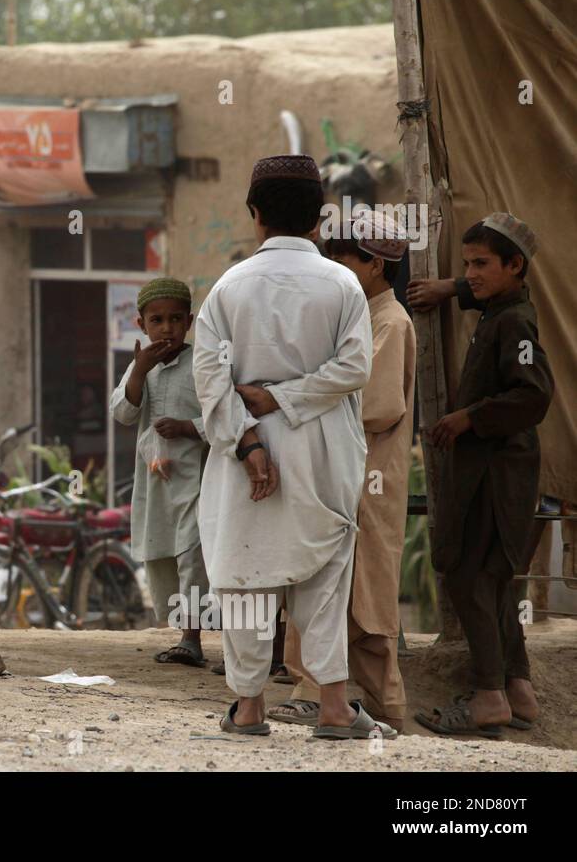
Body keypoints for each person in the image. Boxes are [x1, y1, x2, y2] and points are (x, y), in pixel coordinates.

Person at [192, 154, 394, 739]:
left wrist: (250, 443)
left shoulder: (227, 288)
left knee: (247, 575)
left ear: (255, 214)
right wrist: (290, 399)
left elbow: (212, 384)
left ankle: (249, 707)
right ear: (319, 217)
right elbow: (355, 368)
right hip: (324, 453)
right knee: (324, 576)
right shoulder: (343, 285)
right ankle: (334, 706)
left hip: (243, 460)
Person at [275, 207, 415, 732]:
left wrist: (303, 396)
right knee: (339, 582)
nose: (333, 265)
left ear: (376, 265)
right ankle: (376, 706)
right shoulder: (361, 315)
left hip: (367, 477)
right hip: (346, 473)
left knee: (358, 592)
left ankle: (327, 694)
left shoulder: (389, 321)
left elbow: (376, 405)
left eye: (344, 257)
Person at [414, 213, 552, 737]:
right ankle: (518, 691)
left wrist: (469, 417)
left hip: (496, 474)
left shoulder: (515, 322)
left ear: (515, 266)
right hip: (493, 471)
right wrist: (452, 286)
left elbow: (532, 394)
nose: (469, 273)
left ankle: (488, 696)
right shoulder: (500, 308)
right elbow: (478, 289)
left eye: (481, 264)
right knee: (494, 583)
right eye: (466, 262)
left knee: (470, 577)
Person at [110, 277, 212, 666]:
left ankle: (192, 637)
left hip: (198, 479)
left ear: (189, 321)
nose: (166, 328)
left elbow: (222, 416)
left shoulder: (200, 364)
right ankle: (184, 630)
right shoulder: (142, 367)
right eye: (157, 320)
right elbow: (123, 412)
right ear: (141, 325)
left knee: (193, 555)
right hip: (156, 485)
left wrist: (188, 428)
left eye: (174, 319)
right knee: (163, 554)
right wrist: (139, 371)